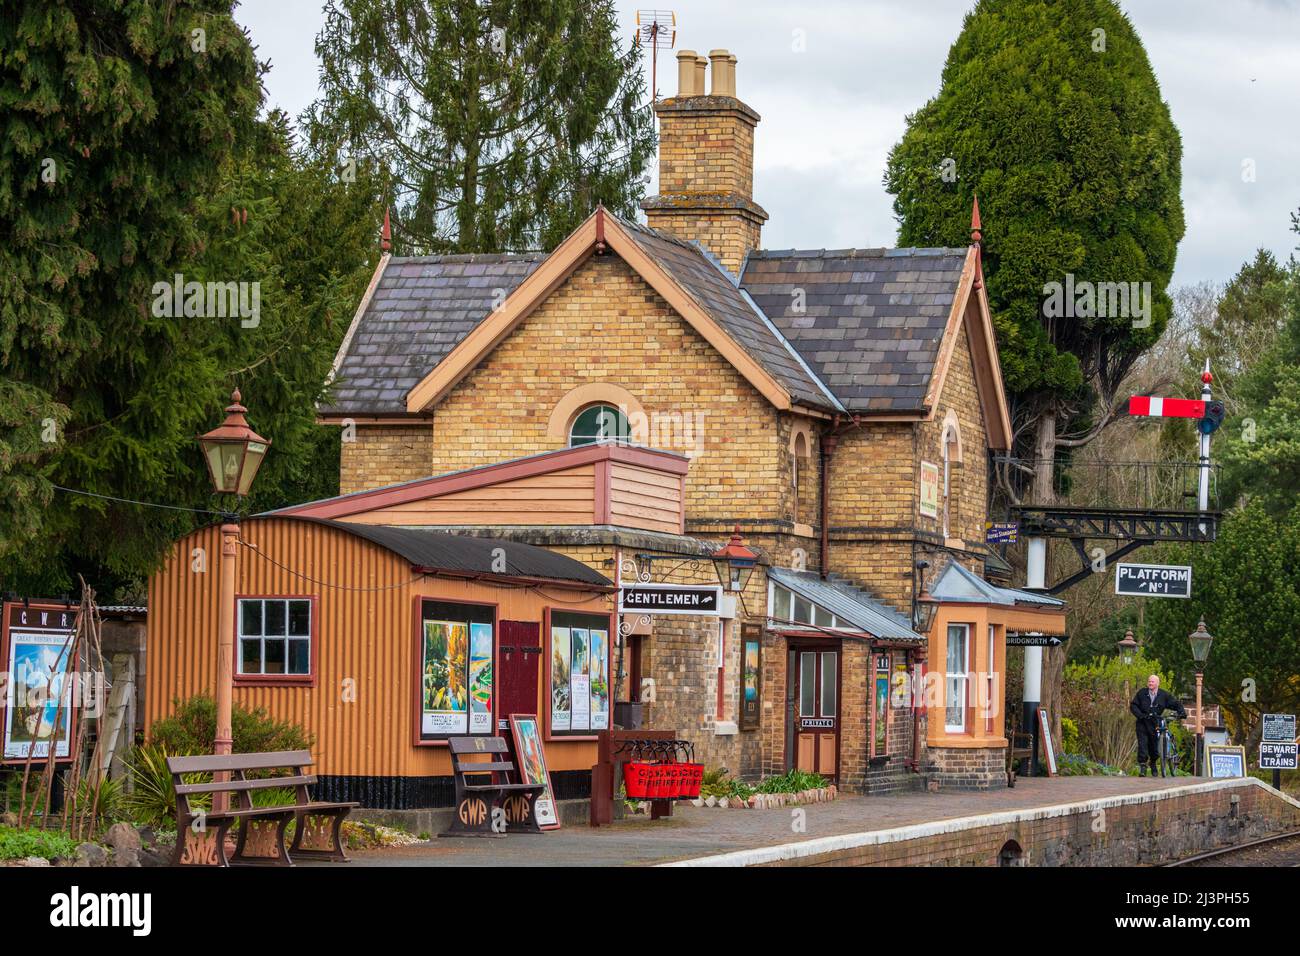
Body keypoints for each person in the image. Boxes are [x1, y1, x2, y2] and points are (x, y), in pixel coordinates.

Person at [1129, 674, 1187, 776]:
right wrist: (1140, 715)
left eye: (1152, 682)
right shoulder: (1142, 693)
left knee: (1154, 746)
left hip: (1155, 723)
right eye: (1149, 681)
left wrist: (1181, 712)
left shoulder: (1163, 695)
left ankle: (1153, 763)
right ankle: (1143, 767)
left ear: (1157, 684)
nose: (1150, 683)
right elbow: (1133, 705)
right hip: (1143, 722)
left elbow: (1175, 703)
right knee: (1143, 744)